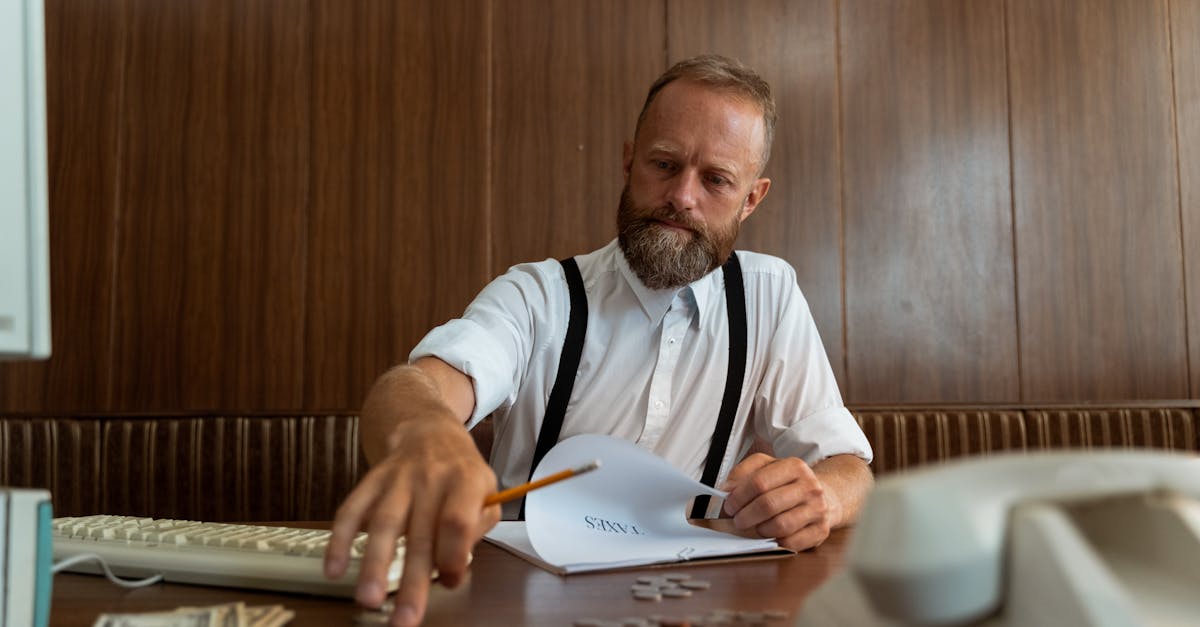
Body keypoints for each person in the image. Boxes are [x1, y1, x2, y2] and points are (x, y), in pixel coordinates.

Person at [324, 54, 874, 627]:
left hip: (695, 604)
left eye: (716, 180)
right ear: (629, 161)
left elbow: (850, 467)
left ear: (751, 199)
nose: (682, 197)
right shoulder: (538, 295)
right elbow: (417, 387)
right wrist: (424, 430)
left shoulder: (770, 295)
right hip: (517, 604)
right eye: (664, 164)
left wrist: (823, 498)